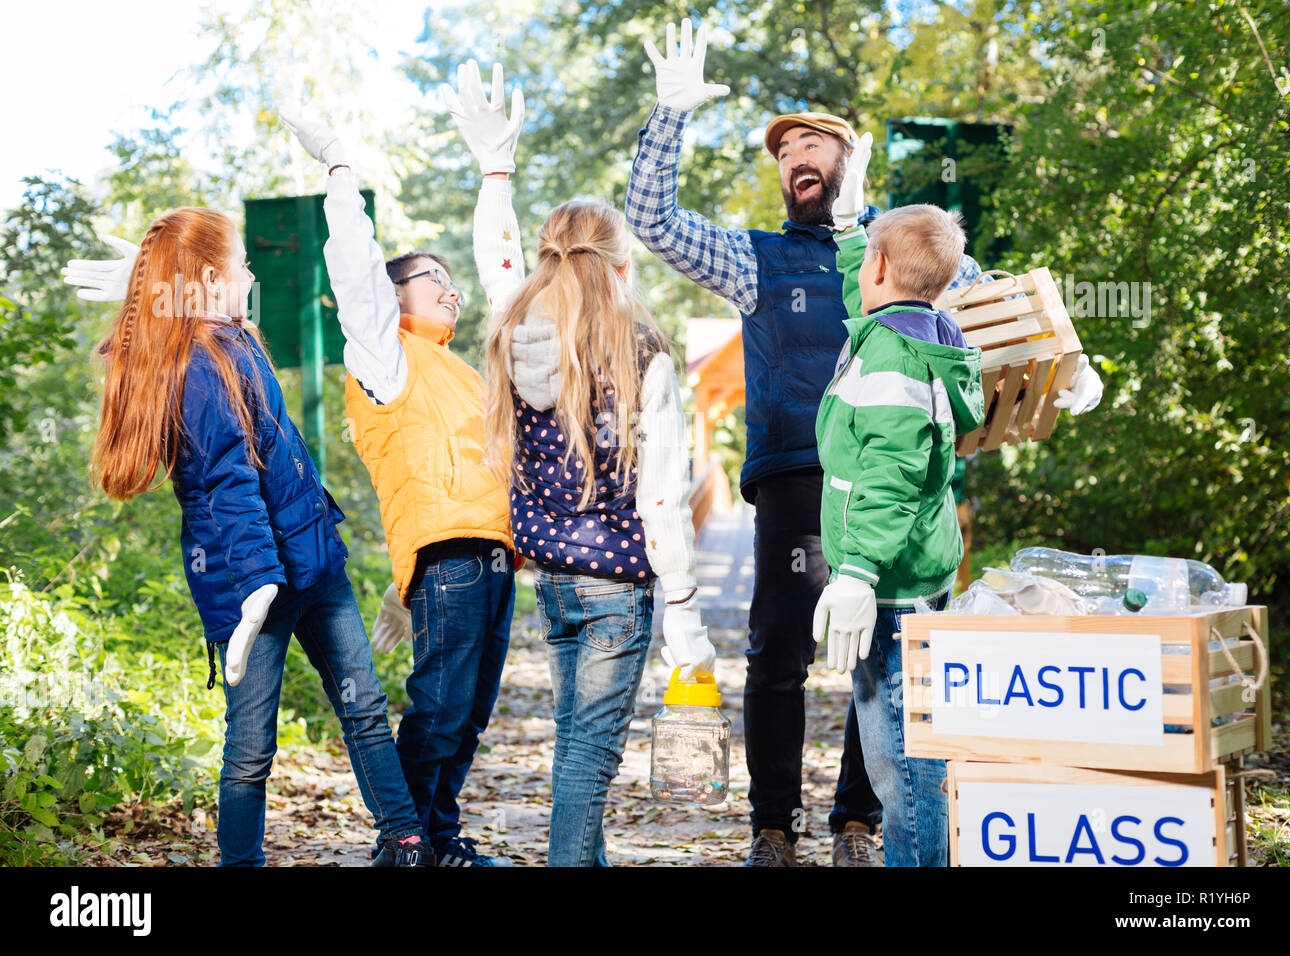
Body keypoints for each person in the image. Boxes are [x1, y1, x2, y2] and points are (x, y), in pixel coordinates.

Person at [625, 18, 1105, 866]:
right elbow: (652, 221)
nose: (796, 159)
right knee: (781, 650)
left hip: (904, 476)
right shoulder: (754, 258)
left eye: (815, 144)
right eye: (783, 153)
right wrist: (669, 117)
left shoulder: (900, 245)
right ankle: (773, 826)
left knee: (886, 647)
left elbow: (996, 307)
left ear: (852, 161)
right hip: (799, 481)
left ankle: (860, 822)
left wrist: (1066, 365)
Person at [70, 209, 432, 866]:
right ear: (209, 280)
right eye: (240, 265)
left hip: (313, 559)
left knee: (364, 705)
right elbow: (225, 487)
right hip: (253, 586)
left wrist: (149, 283)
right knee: (250, 751)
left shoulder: (228, 337)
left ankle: (404, 840)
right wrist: (259, 585)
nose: (252, 274)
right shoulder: (197, 367)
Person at [448, 60, 716, 866]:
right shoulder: (642, 354)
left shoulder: (517, 330)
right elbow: (663, 499)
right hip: (617, 589)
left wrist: (496, 172)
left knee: (574, 745)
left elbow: (496, 262)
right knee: (586, 764)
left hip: (554, 580)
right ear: (621, 263)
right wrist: (688, 610)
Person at [279, 104, 518, 867]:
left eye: (453, 281)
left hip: (493, 556)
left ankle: (439, 840)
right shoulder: (386, 357)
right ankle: (407, 843)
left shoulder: (461, 369)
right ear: (396, 295)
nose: (451, 292)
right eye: (433, 280)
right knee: (441, 710)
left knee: (472, 714)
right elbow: (354, 269)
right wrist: (340, 169)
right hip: (449, 558)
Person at [813, 192, 985, 867]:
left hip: (887, 587)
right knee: (903, 753)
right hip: (914, 570)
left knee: (901, 766)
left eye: (866, 260)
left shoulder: (890, 359)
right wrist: (853, 225)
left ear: (880, 266)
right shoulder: (918, 330)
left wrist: (857, 570)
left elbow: (889, 473)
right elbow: (873, 294)